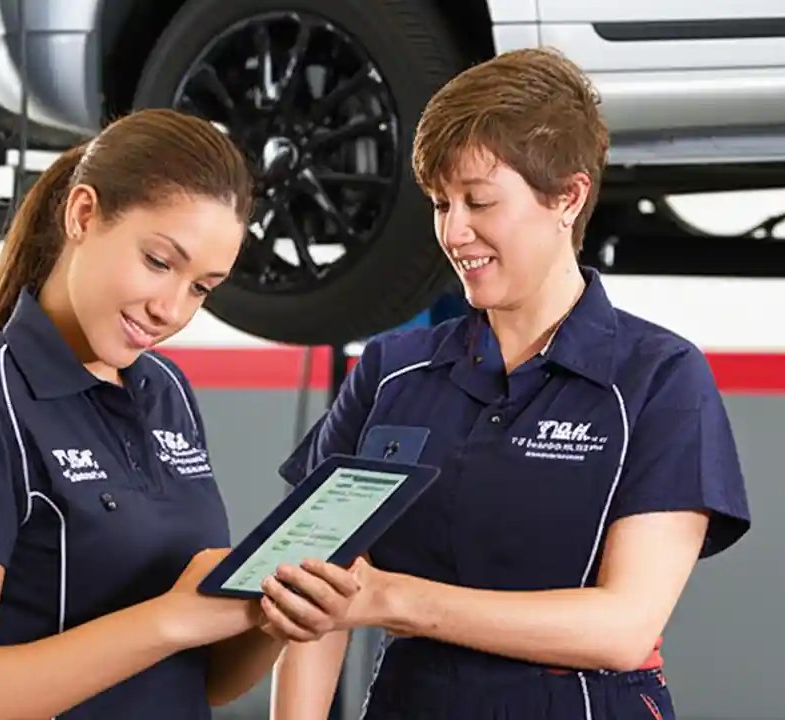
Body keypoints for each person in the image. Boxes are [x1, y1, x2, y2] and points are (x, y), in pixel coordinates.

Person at [264, 49, 752, 719]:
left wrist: (391, 600)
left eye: (479, 200)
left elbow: (622, 628)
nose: (453, 231)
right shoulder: (389, 371)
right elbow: (311, 598)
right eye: (440, 203)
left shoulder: (658, 379)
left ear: (568, 196)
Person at [0, 108, 360, 720]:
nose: (171, 308)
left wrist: (273, 612)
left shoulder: (165, 390)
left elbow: (206, 683)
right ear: (83, 214)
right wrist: (172, 616)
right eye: (160, 262)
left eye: (201, 288)